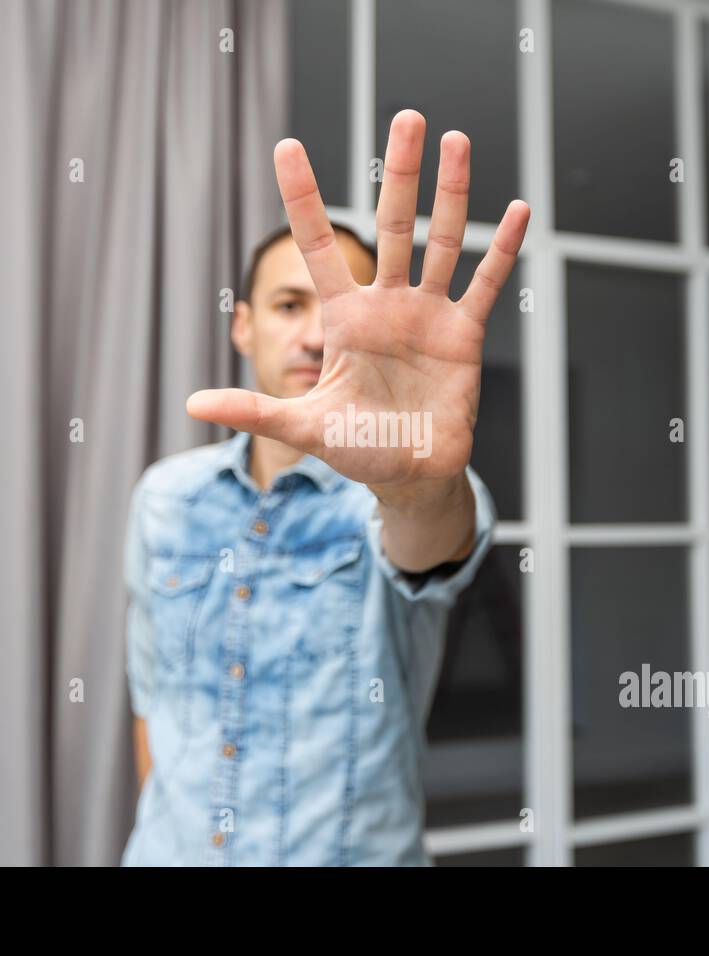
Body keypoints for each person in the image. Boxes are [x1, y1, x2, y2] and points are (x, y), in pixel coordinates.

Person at [121, 109, 530, 865]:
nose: (316, 336)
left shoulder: (396, 486)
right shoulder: (165, 498)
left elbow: (430, 545)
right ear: (241, 327)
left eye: (333, 311)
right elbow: (153, 705)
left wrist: (418, 483)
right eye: (287, 306)